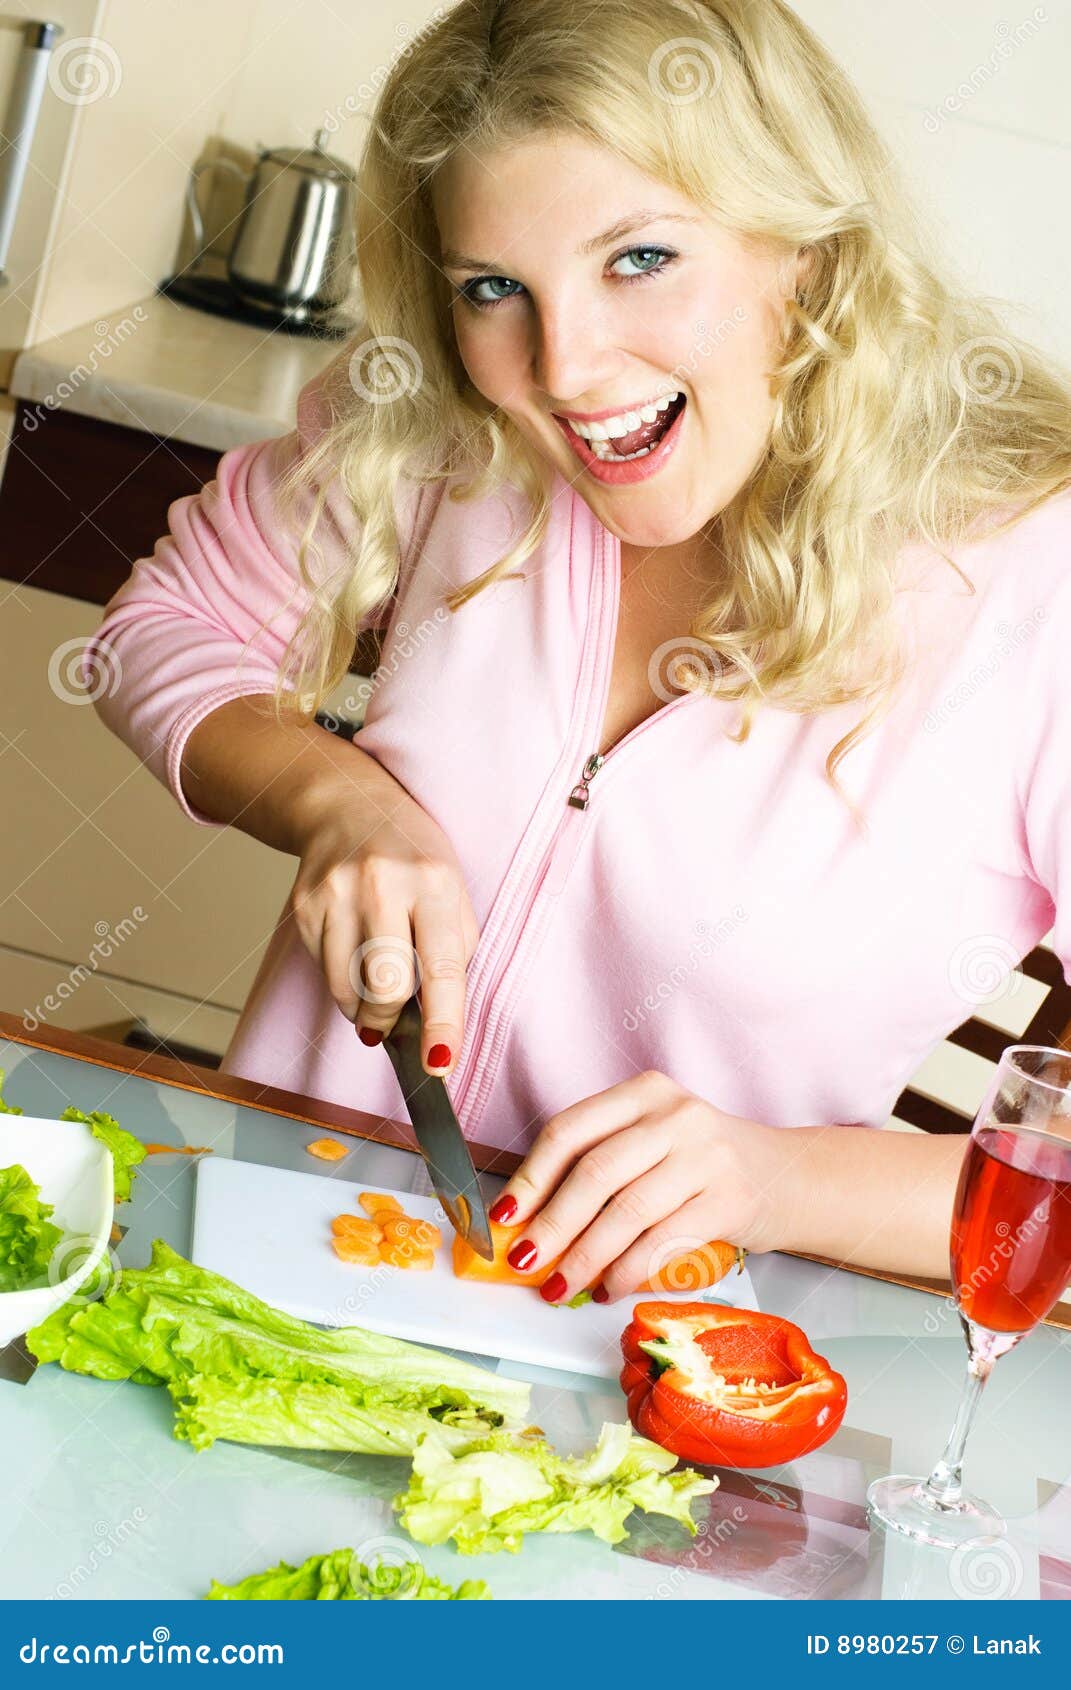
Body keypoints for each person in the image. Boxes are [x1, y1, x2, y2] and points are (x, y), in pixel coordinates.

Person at [84, 0, 1071, 1303]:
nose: (566, 366)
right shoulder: (445, 428)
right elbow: (159, 629)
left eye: (642, 258)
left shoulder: (1029, 576)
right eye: (495, 288)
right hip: (269, 1272)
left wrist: (774, 1177)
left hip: (645, 1405)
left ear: (808, 254)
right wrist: (338, 799)